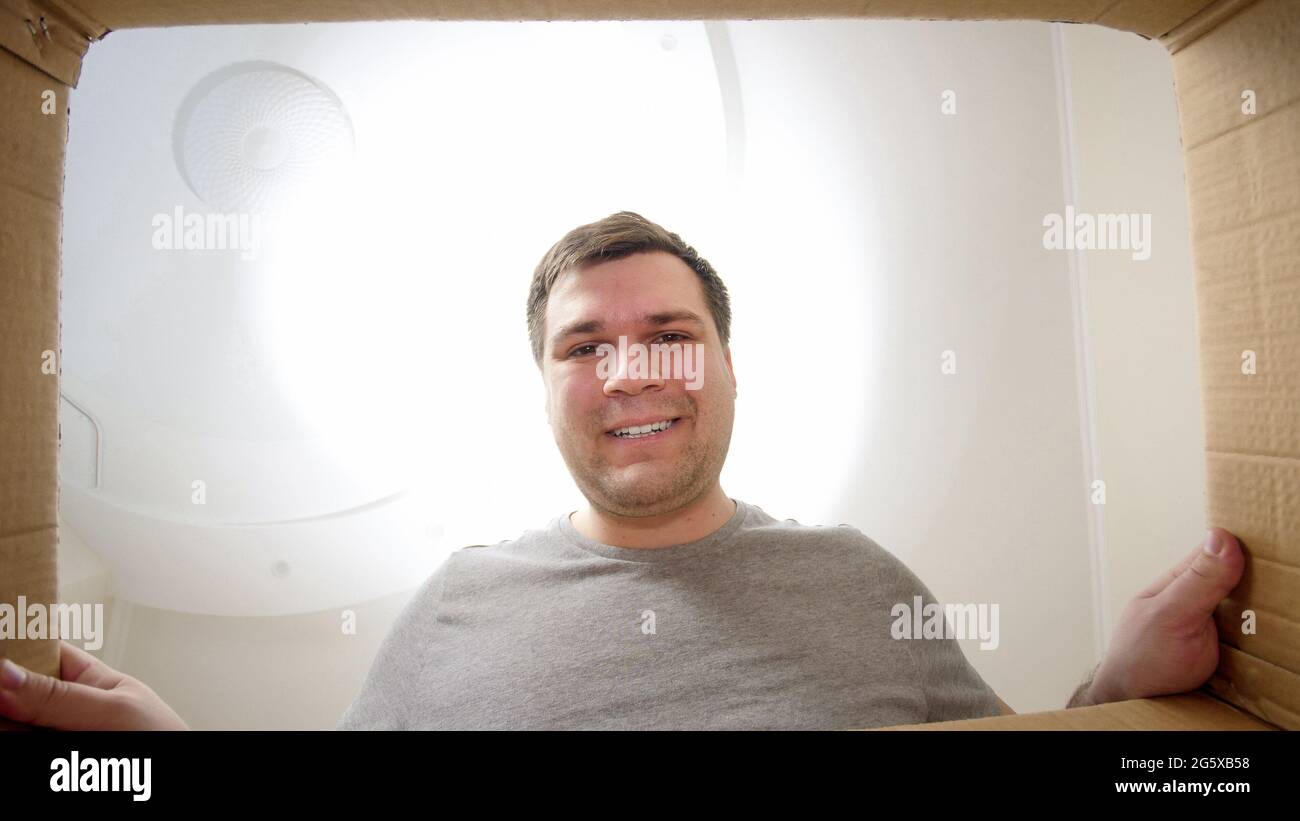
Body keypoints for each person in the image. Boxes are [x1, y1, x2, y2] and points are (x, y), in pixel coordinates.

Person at [0, 212, 1245, 730]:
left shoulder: (859, 581)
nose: (630, 371)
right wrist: (160, 757)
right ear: (546, 390)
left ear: (731, 369)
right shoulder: (452, 605)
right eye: (585, 346)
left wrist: (1118, 695)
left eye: (671, 337)